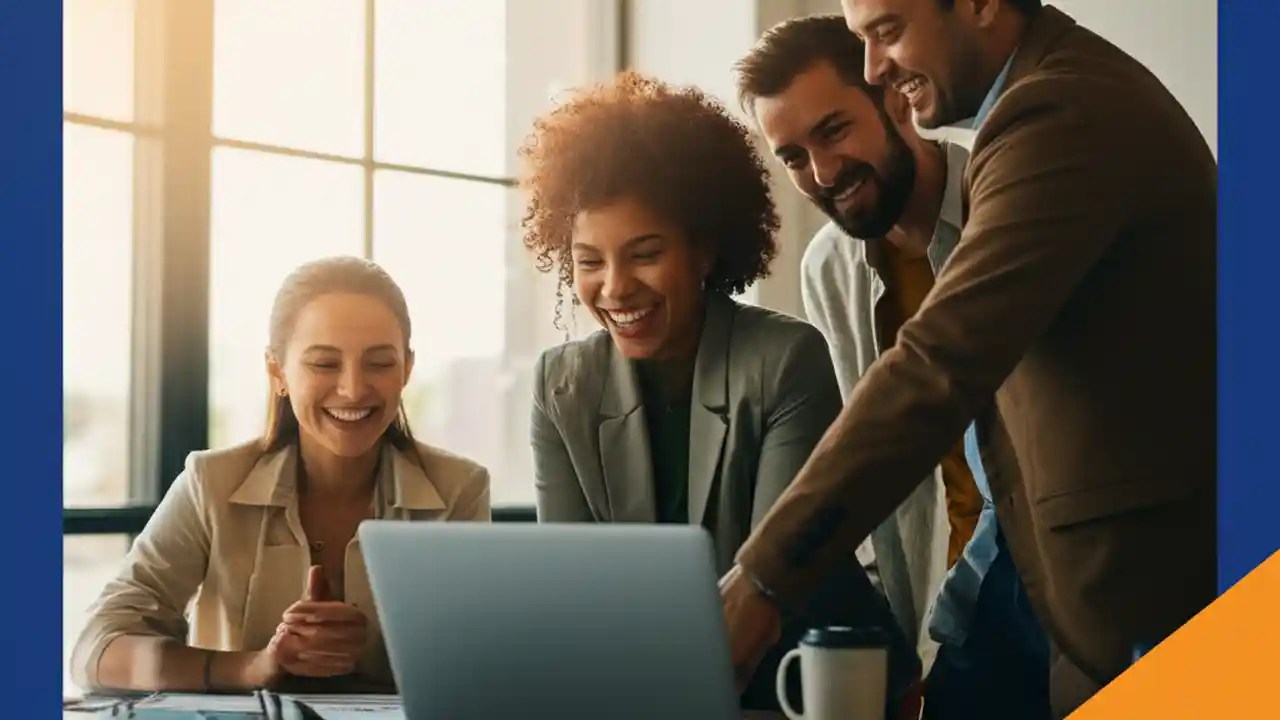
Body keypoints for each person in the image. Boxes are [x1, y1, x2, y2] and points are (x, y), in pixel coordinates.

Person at [718, 1, 1216, 717]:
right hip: (1024, 566)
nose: (875, 67)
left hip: (1137, 590)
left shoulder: (1059, 113)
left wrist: (763, 578)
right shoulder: (1045, 105)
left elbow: (937, 365)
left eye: (887, 31)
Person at [518, 71, 919, 714]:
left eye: (644, 254)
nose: (615, 288)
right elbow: (576, 595)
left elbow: (765, 595)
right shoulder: (560, 385)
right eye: (589, 261)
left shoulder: (787, 361)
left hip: (806, 686)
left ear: (704, 250)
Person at [734, 15, 1049, 718]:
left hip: (1048, 589)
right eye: (791, 155)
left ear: (894, 96)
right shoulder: (830, 269)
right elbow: (874, 456)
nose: (821, 174)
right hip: (937, 612)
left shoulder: (1006, 201)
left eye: (834, 131)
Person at [71, 256, 491, 694]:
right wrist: (257, 666)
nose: (352, 388)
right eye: (324, 364)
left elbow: (480, 663)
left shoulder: (459, 489)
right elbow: (95, 652)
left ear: (406, 368)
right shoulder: (212, 483)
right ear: (277, 372)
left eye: (380, 363)